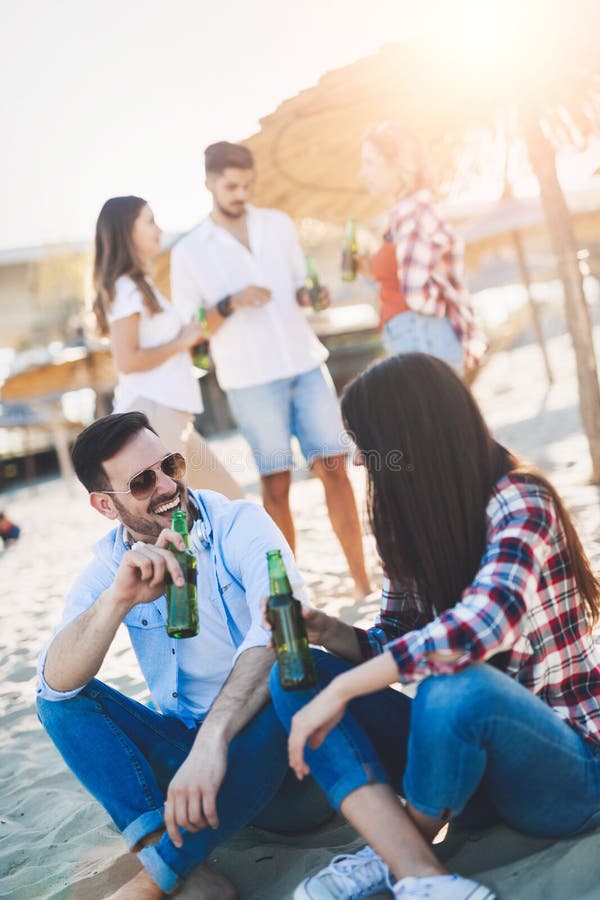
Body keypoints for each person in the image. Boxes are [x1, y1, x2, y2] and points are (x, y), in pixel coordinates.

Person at [267, 353, 600, 900]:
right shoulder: (417, 521)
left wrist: (350, 687)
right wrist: (331, 634)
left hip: (565, 775)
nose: (354, 457)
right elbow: (395, 641)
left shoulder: (522, 500)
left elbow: (482, 626)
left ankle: (396, 851)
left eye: (362, 439)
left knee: (452, 685)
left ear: (408, 436)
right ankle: (420, 868)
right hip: (469, 778)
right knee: (298, 678)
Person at [36, 412, 331, 900]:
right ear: (105, 506)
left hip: (285, 765)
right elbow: (55, 683)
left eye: (170, 464)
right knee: (59, 703)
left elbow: (283, 633)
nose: (169, 485)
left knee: (288, 671)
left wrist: (215, 738)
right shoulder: (111, 565)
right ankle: (180, 864)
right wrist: (118, 600)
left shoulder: (239, 523)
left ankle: (158, 874)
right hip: (191, 763)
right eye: (143, 480)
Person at [170, 142, 372, 599]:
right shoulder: (189, 252)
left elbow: (300, 288)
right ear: (208, 183)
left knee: (335, 470)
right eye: (230, 185)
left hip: (304, 362)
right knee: (275, 483)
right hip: (250, 379)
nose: (241, 193)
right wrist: (230, 302)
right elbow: (191, 327)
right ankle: (293, 592)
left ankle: (362, 581)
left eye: (246, 184)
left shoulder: (277, 225)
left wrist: (311, 297)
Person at [93, 195, 244, 499]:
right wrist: (181, 341)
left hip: (173, 414)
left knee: (230, 504)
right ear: (127, 231)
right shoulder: (126, 288)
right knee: (174, 512)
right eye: (150, 221)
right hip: (154, 413)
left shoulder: (140, 286)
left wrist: (188, 341)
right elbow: (127, 360)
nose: (159, 230)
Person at [356, 122, 486, 375]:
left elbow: (416, 295)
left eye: (370, 163)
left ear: (397, 165)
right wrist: (369, 269)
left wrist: (443, 312)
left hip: (421, 335)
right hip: (421, 333)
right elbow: (410, 282)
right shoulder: (409, 212)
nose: (363, 173)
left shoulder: (410, 213)